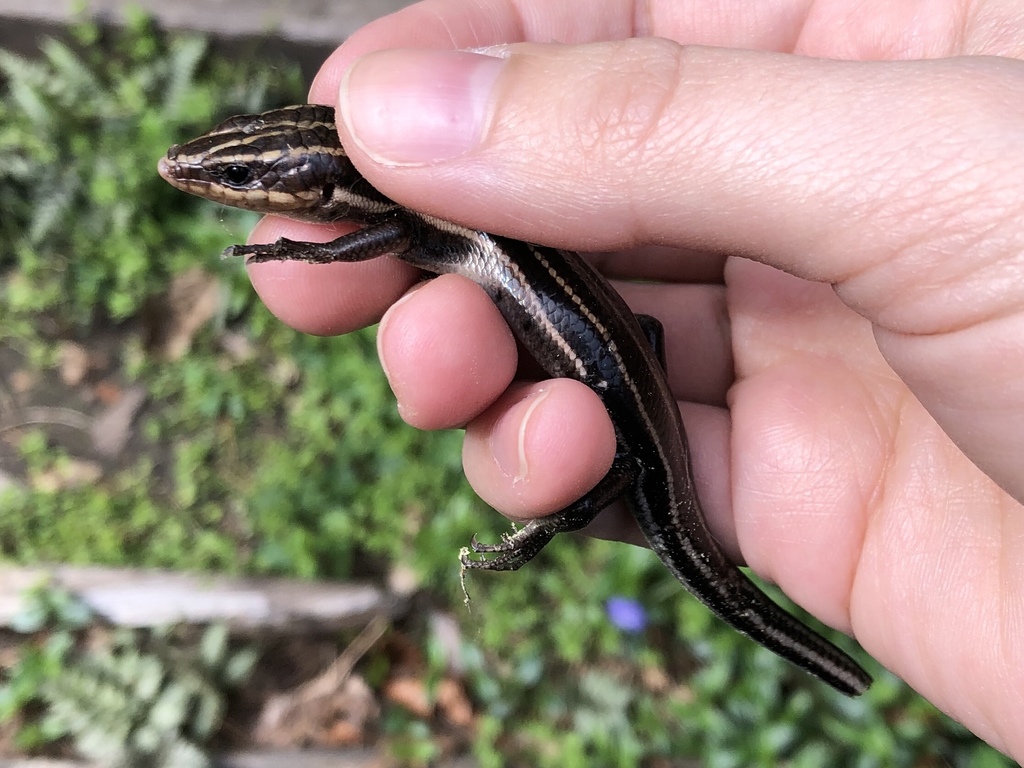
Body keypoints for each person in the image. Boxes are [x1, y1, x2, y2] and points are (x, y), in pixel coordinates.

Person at [243, 0, 1024, 759]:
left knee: (601, 468)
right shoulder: (420, 207)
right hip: (622, 366)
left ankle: (549, 527)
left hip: (628, 410)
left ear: (318, 185)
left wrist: (308, 254)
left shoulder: (411, 204)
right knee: (591, 434)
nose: (230, 186)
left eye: (245, 176)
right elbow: (392, 236)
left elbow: (381, 236)